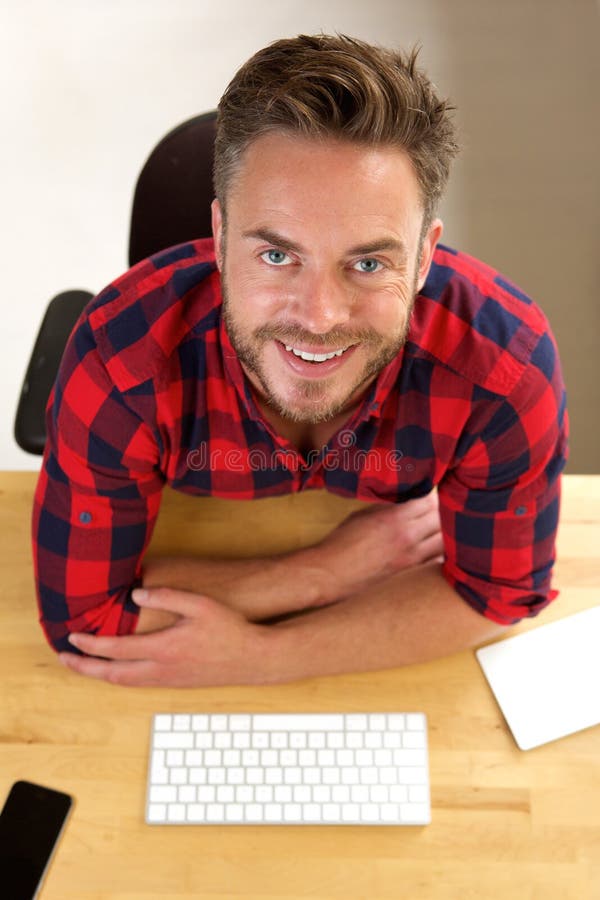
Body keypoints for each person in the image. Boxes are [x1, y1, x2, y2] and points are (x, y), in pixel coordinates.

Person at [32, 34, 568, 688]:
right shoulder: (121, 356)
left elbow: (499, 595)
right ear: (221, 235)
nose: (318, 318)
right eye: (278, 255)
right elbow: (84, 619)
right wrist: (325, 572)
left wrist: (263, 657)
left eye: (368, 263)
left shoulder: (503, 366)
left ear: (424, 257)